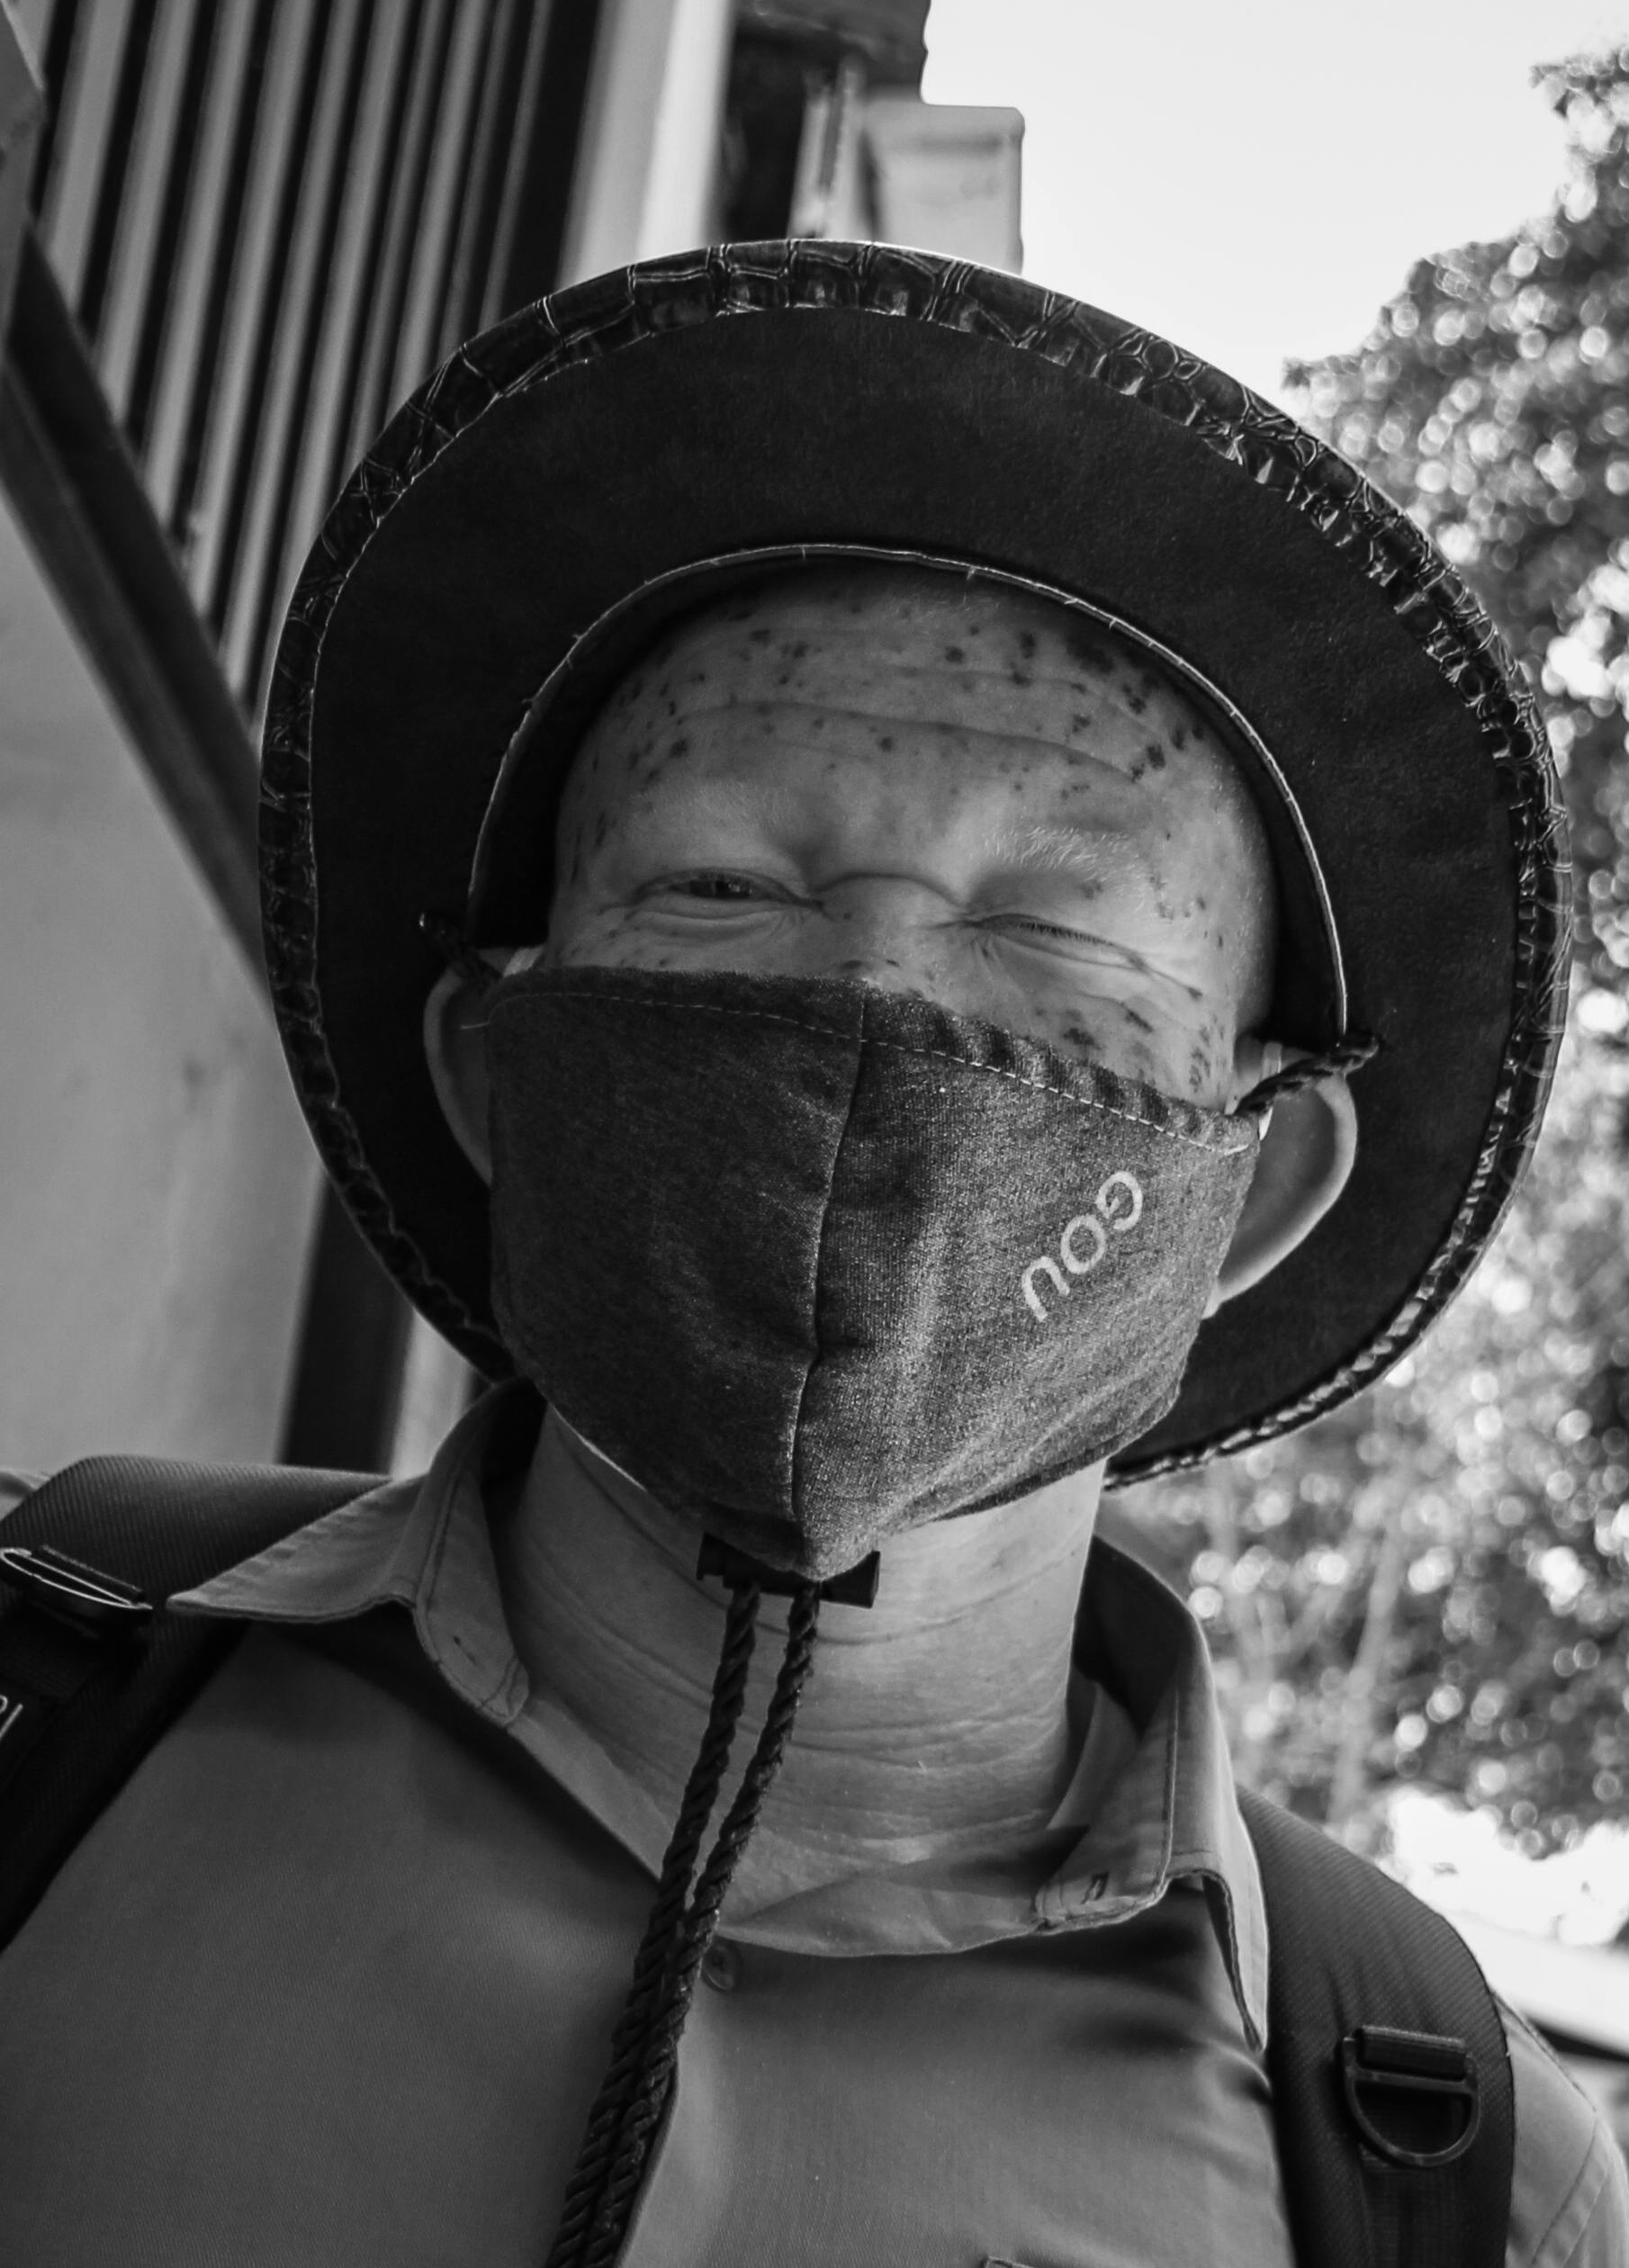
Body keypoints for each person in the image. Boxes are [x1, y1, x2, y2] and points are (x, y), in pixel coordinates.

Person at [2, 242, 1624, 2266]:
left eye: (1055, 930)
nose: (869, 993)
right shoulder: (43, 1718)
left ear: (1255, 1183)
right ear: (499, 1072)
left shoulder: (1456, 2181)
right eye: (714, 885)